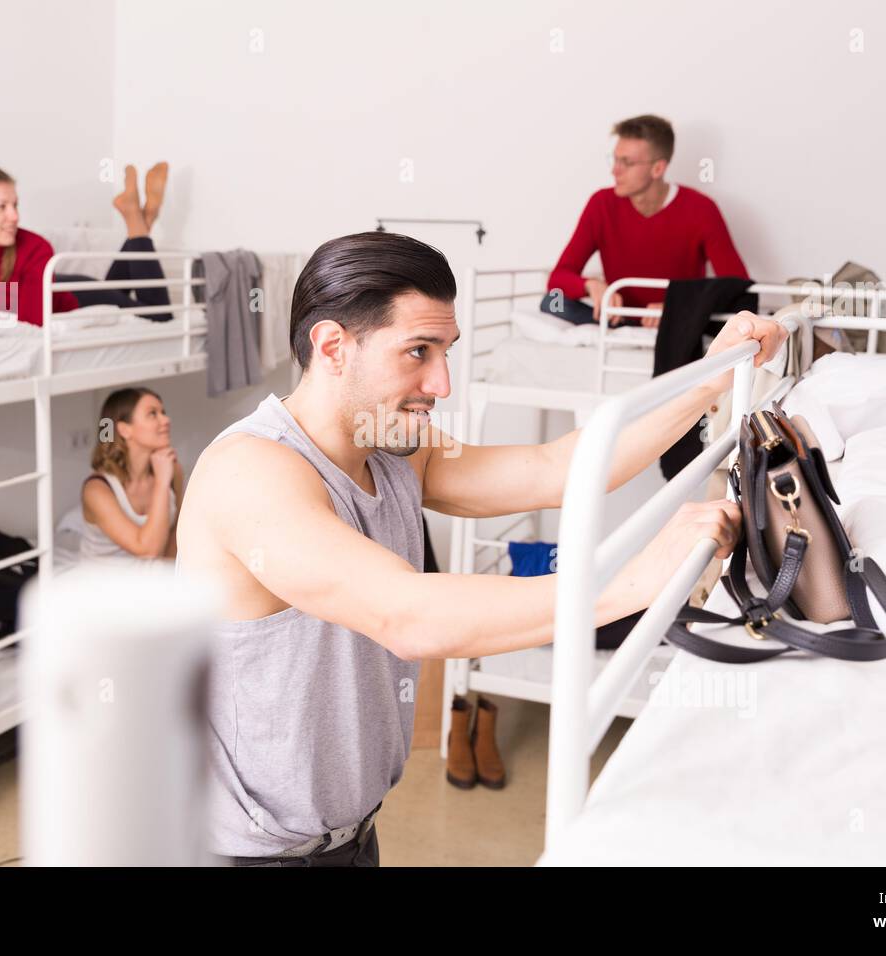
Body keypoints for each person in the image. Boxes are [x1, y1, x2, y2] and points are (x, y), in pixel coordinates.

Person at [176, 231, 786, 866]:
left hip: (350, 838)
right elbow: (407, 615)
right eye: (418, 351)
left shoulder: (397, 450)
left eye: (445, 352)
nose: (441, 383)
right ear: (332, 346)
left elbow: (557, 468)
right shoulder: (251, 473)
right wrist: (633, 584)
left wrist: (708, 381)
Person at [542, 114, 749, 328]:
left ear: (658, 169)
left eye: (627, 162)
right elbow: (557, 279)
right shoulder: (601, 204)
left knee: (732, 313)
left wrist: (676, 306)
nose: (615, 170)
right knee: (551, 302)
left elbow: (736, 286)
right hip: (620, 318)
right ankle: (625, 329)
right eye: (614, 159)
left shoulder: (702, 209)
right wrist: (590, 285)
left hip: (676, 320)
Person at [0, 161, 172, 325]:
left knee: (160, 317)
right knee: (122, 289)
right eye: (1, 207)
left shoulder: (34, 246)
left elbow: (34, 322)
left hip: (73, 294)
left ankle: (135, 220)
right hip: (50, 286)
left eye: (15, 205)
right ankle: (143, 220)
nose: (14, 216)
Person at [80, 387, 183, 562]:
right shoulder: (96, 489)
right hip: (103, 586)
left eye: (163, 412)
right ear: (124, 430)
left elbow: (177, 533)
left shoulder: (172, 469)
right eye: (152, 414)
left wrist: (169, 580)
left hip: (153, 582)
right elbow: (147, 550)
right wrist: (162, 481)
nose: (166, 420)